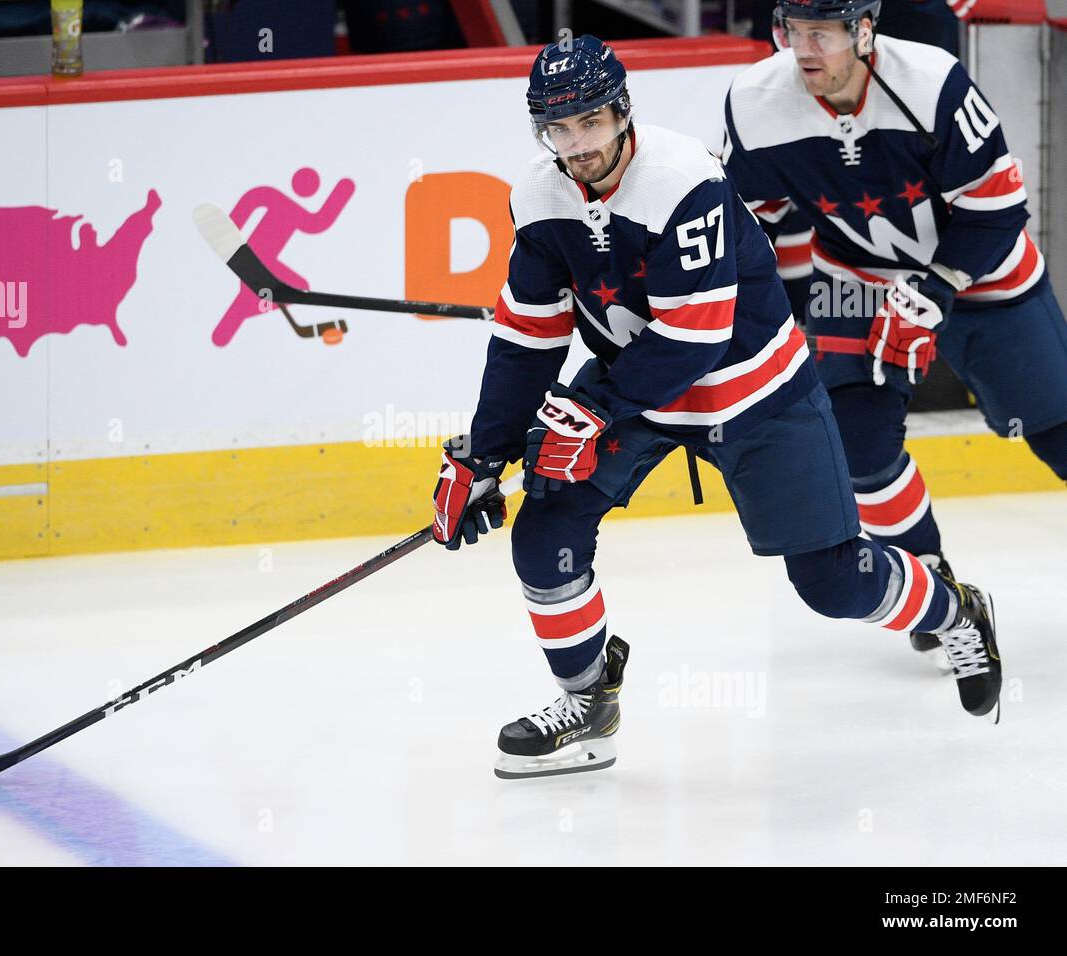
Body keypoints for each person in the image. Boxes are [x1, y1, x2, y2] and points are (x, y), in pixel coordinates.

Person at [429, 35, 1002, 780]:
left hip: (755, 392)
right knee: (543, 534)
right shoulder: (538, 199)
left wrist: (592, 408)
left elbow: (697, 333)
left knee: (834, 582)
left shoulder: (681, 179)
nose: (577, 146)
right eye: (558, 129)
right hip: (639, 394)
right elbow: (527, 340)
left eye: (591, 124)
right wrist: (484, 455)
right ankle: (588, 707)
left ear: (622, 112)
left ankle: (955, 611)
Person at [723, 0, 1067, 657]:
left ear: (864, 29)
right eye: (792, 30)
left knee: (1058, 435)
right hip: (858, 282)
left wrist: (935, 293)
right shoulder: (754, 100)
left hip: (985, 276)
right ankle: (935, 585)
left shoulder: (932, 82)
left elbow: (997, 211)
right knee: (859, 451)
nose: (803, 48)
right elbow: (749, 226)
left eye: (821, 31)